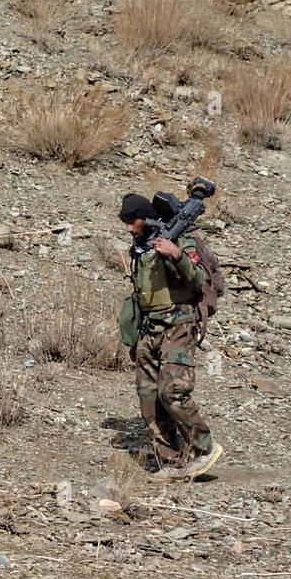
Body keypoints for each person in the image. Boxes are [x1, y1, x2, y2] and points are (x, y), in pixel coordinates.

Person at [119, 191, 223, 480]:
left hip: (178, 324)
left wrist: (176, 255)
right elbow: (140, 295)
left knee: (172, 391)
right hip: (150, 327)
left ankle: (204, 449)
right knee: (149, 396)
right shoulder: (141, 247)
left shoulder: (179, 240)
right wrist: (133, 339)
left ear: (147, 217)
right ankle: (172, 461)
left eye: (133, 221)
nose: (129, 227)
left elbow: (199, 279)